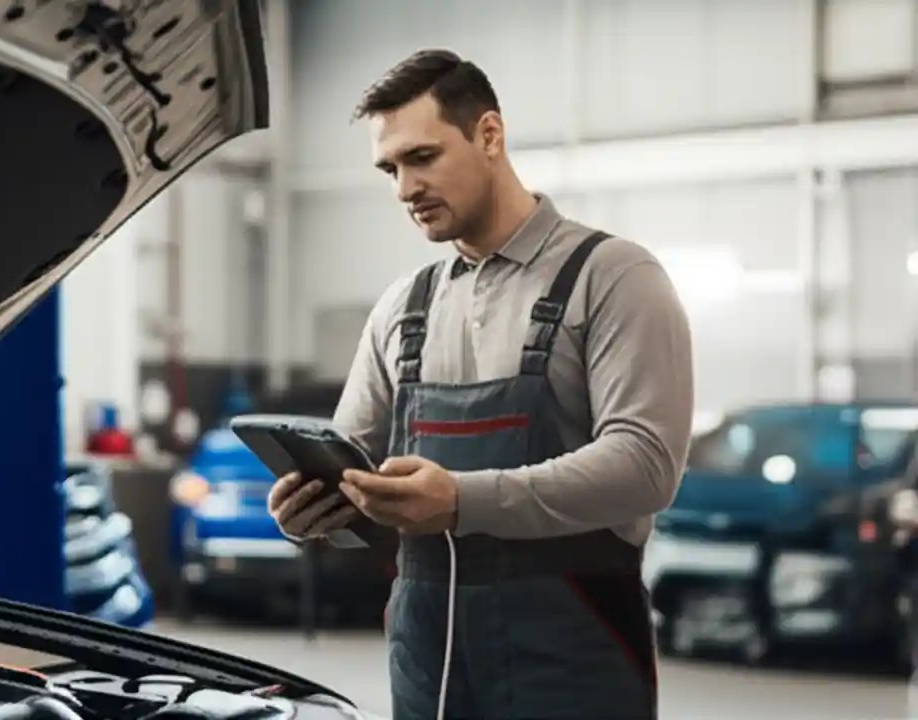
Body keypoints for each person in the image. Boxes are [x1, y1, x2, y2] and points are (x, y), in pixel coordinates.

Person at [267, 49, 694, 719]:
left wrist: (461, 501)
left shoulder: (612, 278)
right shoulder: (401, 309)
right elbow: (353, 460)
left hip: (575, 656)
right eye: (390, 169)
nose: (405, 189)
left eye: (423, 157)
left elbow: (645, 467)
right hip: (428, 655)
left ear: (489, 135)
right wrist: (316, 511)